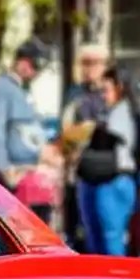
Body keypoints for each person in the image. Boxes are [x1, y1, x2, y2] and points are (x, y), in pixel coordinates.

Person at [75, 67, 140, 256]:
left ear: (119, 88)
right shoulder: (113, 111)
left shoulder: (122, 112)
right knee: (102, 238)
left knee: (111, 239)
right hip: (106, 180)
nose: (103, 96)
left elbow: (116, 139)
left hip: (115, 178)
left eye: (106, 90)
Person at [60, 44, 110, 250]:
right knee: (77, 228)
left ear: (106, 65)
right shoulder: (74, 94)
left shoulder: (110, 93)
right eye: (84, 63)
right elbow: (64, 130)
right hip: (76, 170)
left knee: (104, 228)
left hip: (104, 170)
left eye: (94, 63)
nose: (88, 68)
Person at [0, 39, 49, 193]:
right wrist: (4, 169)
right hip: (9, 177)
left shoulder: (23, 90)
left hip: (26, 173)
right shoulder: (2, 89)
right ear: (23, 62)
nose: (37, 73)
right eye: (36, 65)